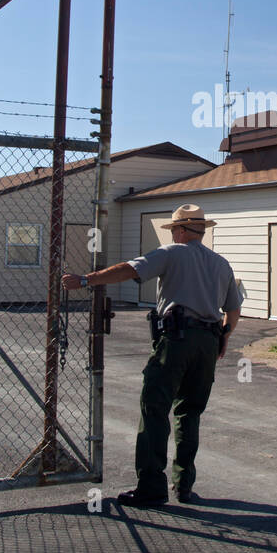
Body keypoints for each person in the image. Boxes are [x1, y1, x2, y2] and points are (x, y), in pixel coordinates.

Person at [62, 203, 242, 507]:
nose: (172, 234)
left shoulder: (171, 253)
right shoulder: (221, 264)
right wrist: (223, 336)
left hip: (176, 339)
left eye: (173, 229)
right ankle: (183, 484)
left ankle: (151, 486)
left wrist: (85, 280)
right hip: (208, 341)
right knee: (189, 411)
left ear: (182, 230)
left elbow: (131, 269)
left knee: (154, 407)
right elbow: (233, 310)